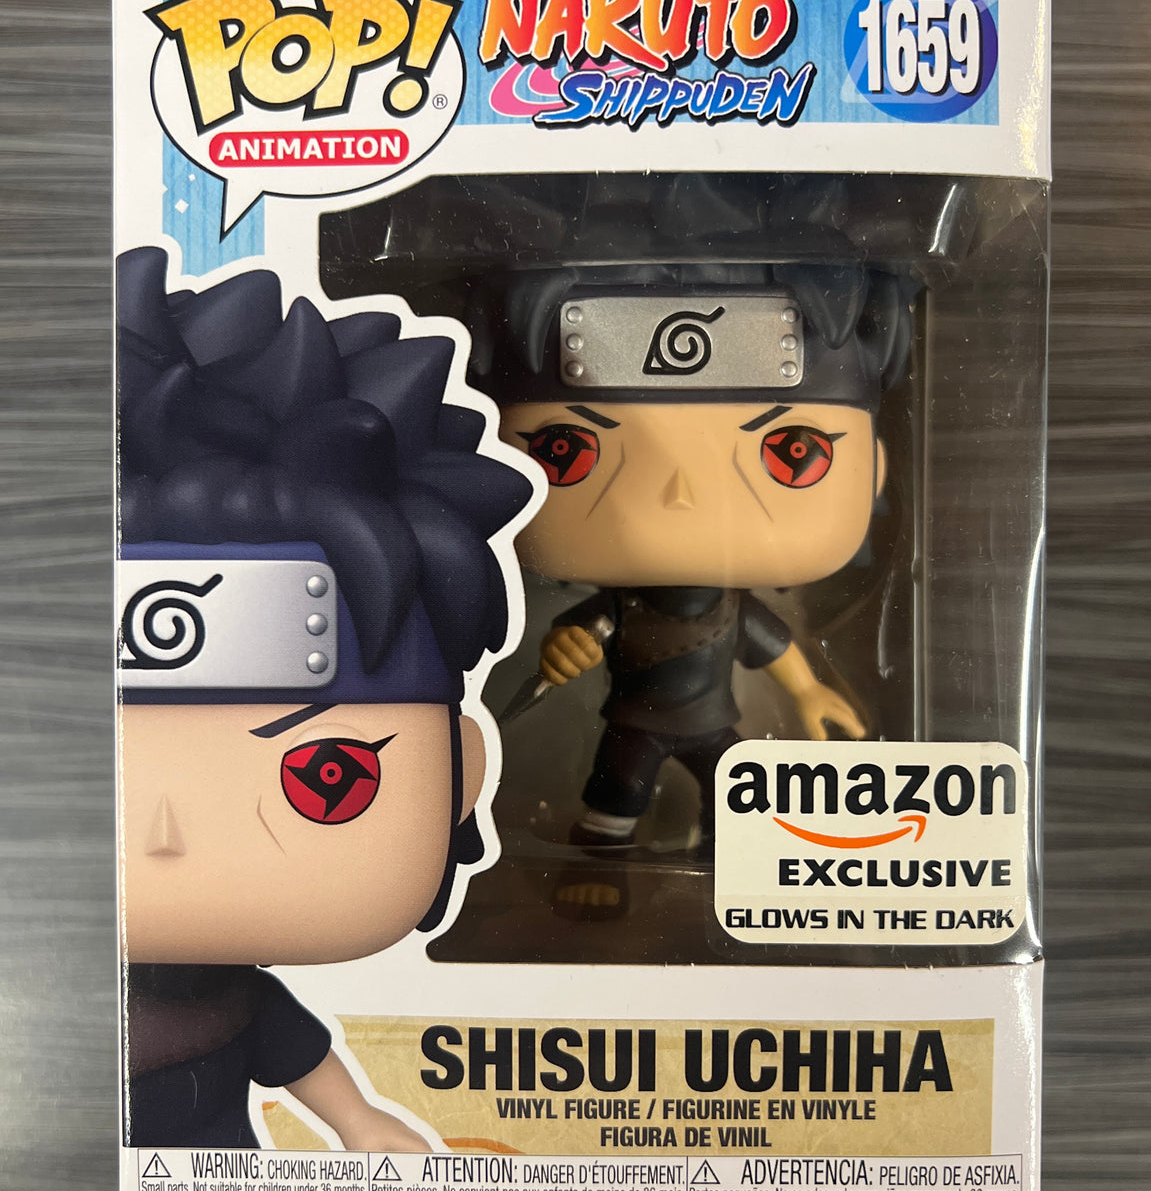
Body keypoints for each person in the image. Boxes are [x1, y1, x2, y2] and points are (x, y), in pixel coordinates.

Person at [116, 247, 532, 1148]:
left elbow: (301, 1059)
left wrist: (361, 1123)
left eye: (326, 774)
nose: (160, 834)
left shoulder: (235, 1001)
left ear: (460, 778)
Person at [485, 264, 914, 909]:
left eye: (793, 452)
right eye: (567, 450)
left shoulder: (730, 608)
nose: (679, 496)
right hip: (634, 723)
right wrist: (563, 649)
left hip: (713, 724)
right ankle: (601, 861)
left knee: (734, 793)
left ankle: (729, 867)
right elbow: (578, 636)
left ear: (873, 472)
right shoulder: (621, 607)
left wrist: (808, 692)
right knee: (617, 792)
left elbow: (776, 650)